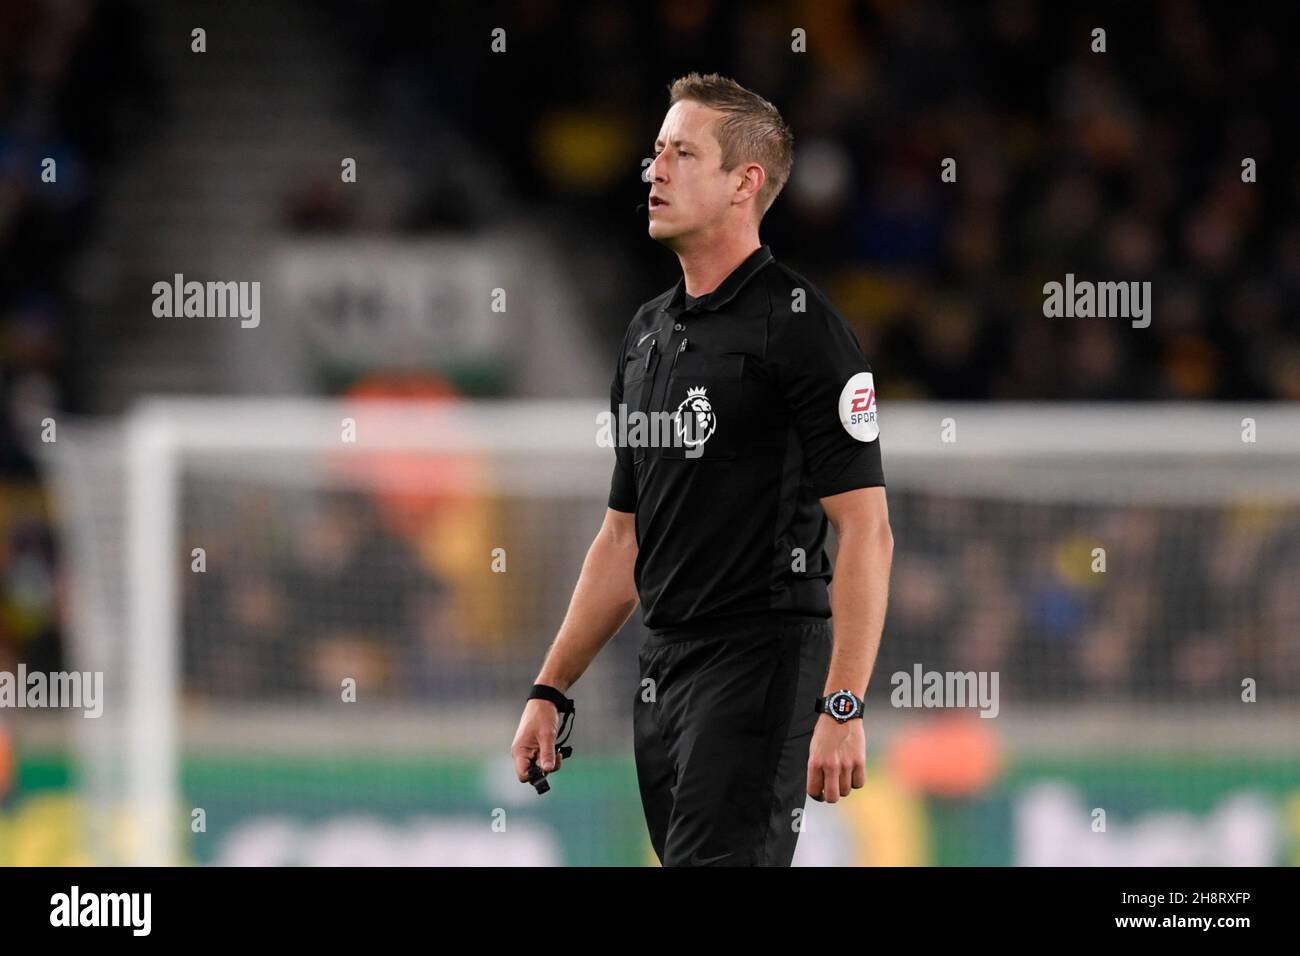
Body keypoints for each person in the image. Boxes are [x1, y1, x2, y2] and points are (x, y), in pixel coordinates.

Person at [511, 72, 893, 866]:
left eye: (683, 153)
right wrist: (551, 688)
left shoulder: (801, 329)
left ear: (742, 184)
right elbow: (623, 542)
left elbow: (866, 528)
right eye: (655, 151)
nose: (655, 169)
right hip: (663, 668)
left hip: (761, 659)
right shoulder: (647, 336)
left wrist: (844, 702)